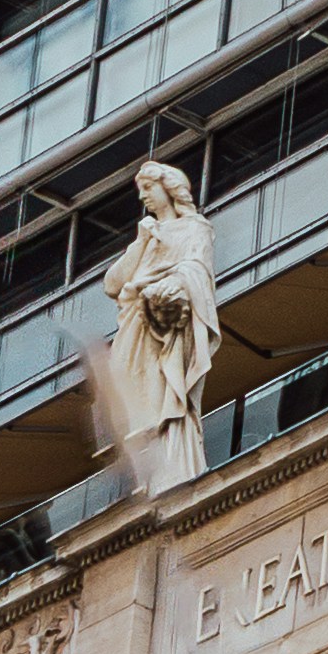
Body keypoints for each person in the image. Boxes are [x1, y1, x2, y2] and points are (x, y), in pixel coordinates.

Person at [86, 157, 220, 499]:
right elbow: (113, 284)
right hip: (136, 334)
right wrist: (143, 243)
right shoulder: (146, 235)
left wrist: (165, 285)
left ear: (169, 189)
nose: (144, 196)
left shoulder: (194, 228)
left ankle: (171, 470)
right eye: (141, 190)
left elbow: (197, 272)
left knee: (167, 400)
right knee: (134, 404)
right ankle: (148, 475)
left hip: (168, 332)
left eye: (149, 188)